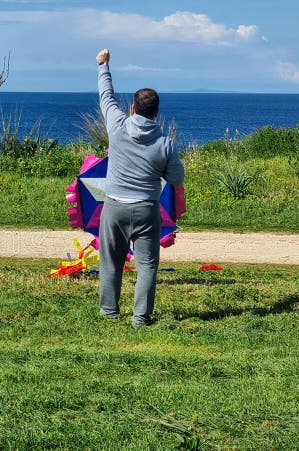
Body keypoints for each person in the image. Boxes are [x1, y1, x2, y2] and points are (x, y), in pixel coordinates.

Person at [95, 48, 185, 328]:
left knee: (111, 262)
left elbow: (106, 96)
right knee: (147, 266)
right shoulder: (165, 143)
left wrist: (104, 66)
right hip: (146, 210)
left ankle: (109, 312)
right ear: (157, 113)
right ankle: (140, 318)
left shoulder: (118, 126)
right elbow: (176, 178)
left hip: (114, 208)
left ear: (133, 109)